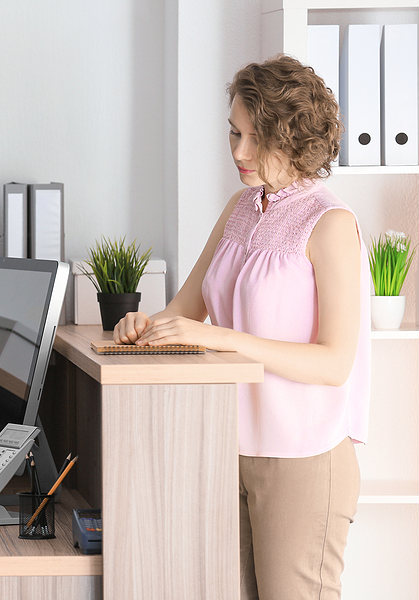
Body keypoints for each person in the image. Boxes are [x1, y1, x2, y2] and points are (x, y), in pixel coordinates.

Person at [114, 55, 370, 600]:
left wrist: (224, 339)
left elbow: (334, 362)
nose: (238, 152)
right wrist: (143, 325)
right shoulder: (239, 208)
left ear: (296, 137)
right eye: (234, 133)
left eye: (257, 138)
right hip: (223, 447)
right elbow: (186, 310)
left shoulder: (331, 223)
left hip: (302, 459)